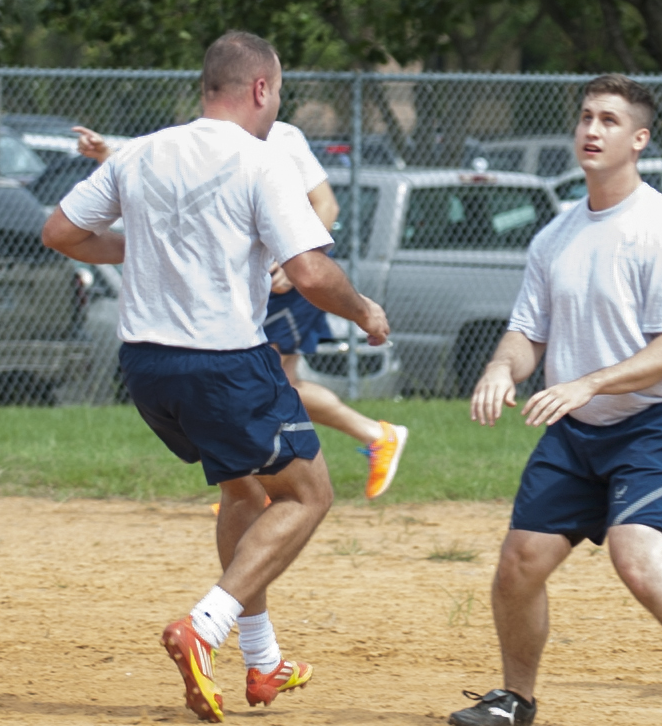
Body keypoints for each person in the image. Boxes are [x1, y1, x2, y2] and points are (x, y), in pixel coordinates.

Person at [43, 31, 391, 722]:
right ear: (261, 89)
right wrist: (363, 311)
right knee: (308, 494)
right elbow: (311, 271)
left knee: (245, 491)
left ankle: (262, 662)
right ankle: (204, 627)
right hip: (224, 362)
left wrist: (135, 248)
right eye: (280, 91)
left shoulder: (141, 151)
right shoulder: (260, 161)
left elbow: (61, 232)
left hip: (146, 367)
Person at [451, 74, 662, 726]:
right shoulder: (556, 235)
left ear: (639, 138)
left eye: (608, 119)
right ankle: (517, 695)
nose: (591, 130)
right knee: (520, 563)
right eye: (585, 117)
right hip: (582, 427)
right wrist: (498, 368)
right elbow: (526, 335)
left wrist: (588, 382)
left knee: (637, 558)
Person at [70, 116, 410, 497]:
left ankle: (354, 445)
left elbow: (325, 205)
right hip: (239, 288)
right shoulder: (201, 137)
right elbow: (171, 192)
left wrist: (290, 257)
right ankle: (259, 486)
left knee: (272, 387)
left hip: (286, 281)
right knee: (272, 387)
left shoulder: (283, 137)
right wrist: (107, 156)